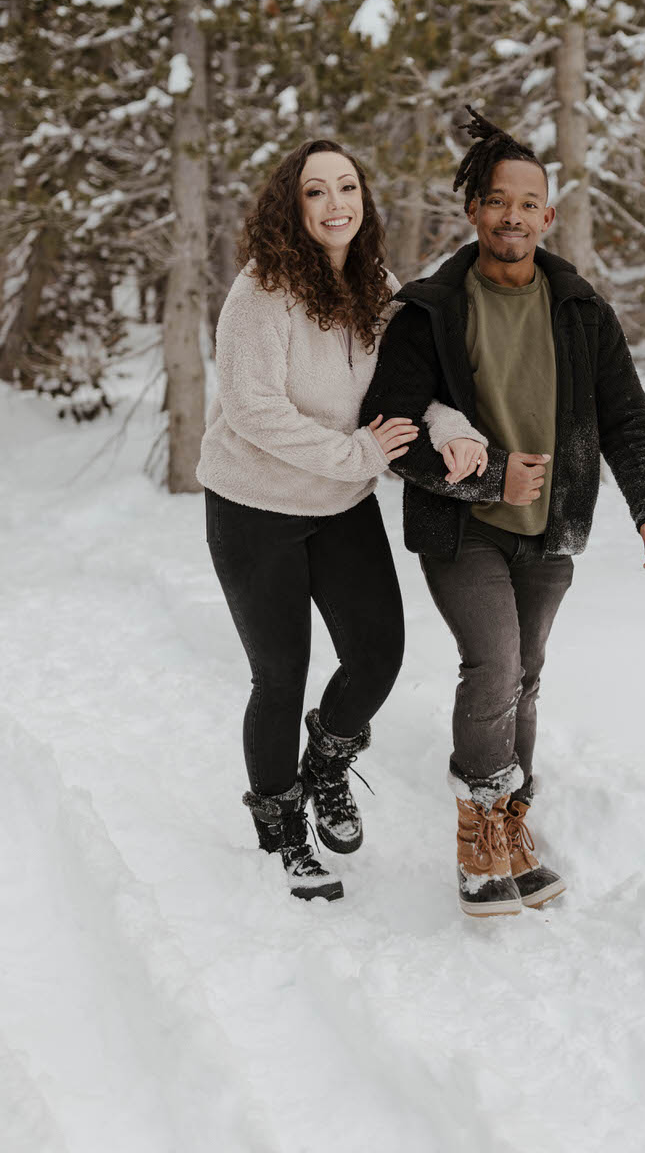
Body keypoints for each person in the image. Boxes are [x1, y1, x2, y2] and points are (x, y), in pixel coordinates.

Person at [362, 108, 645, 917]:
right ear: (473, 211)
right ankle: (477, 829)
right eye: (496, 201)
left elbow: (627, 418)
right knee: (495, 664)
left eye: (528, 202)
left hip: (551, 531)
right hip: (462, 527)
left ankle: (512, 823)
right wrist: (489, 479)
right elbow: (394, 437)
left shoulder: (580, 309)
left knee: (526, 677)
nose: (512, 215)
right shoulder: (429, 310)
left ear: (548, 215)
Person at [197, 139, 487, 902]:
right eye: (317, 192)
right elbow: (253, 410)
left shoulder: (374, 286)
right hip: (253, 506)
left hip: (339, 502)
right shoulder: (261, 293)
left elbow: (406, 383)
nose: (336, 205)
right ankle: (280, 825)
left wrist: (453, 428)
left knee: (377, 654)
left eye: (347, 187)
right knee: (280, 676)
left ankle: (324, 765)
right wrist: (354, 451)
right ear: (292, 207)